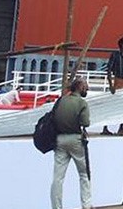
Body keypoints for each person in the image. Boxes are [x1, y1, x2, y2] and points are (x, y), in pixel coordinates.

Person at [50, 77, 92, 209]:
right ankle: (86, 205)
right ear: (80, 87)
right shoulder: (82, 103)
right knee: (84, 174)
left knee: (58, 177)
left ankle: (56, 206)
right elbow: (85, 123)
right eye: (86, 86)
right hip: (75, 140)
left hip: (59, 140)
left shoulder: (61, 100)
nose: (87, 89)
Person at [105, 35, 123, 135]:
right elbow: (109, 70)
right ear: (122, 44)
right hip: (117, 81)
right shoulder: (115, 55)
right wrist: (111, 85)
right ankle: (105, 127)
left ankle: (121, 127)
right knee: (112, 105)